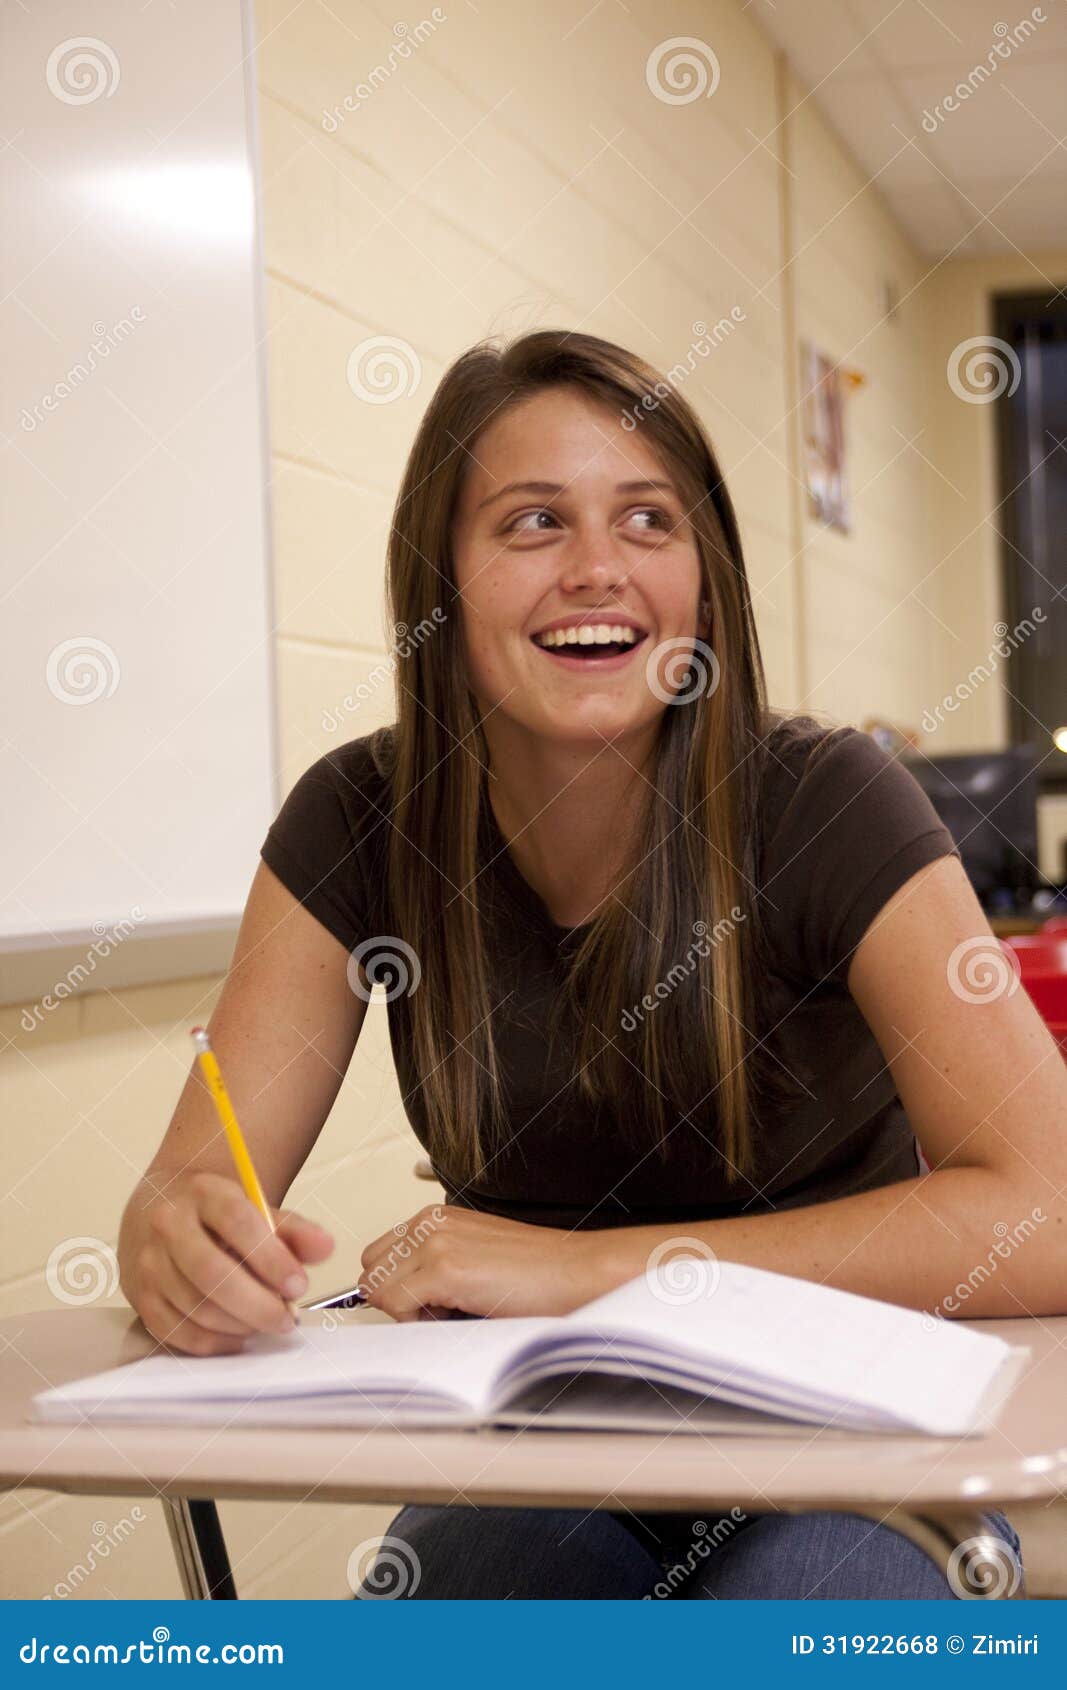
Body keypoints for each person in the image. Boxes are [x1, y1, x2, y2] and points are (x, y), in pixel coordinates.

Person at [117, 330, 1065, 1599]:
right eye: (530, 524)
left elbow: (1045, 1209)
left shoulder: (830, 801)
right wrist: (172, 1238)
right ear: (438, 581)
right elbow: (194, 1182)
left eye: (646, 520)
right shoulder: (356, 818)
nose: (597, 570)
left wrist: (583, 1273)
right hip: (543, 1452)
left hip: (852, 1445)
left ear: (704, 578)